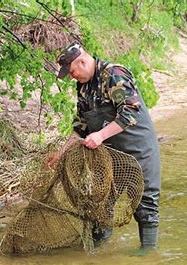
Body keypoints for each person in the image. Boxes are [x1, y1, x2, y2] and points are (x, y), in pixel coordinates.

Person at [45, 41, 161, 251]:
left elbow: (130, 112)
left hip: (139, 149)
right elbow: (80, 125)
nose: (72, 77)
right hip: (110, 155)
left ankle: (148, 255)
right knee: (99, 203)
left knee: (146, 207)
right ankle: (96, 249)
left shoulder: (114, 75)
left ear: (82, 61)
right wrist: (61, 153)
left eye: (72, 72)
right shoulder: (83, 87)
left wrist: (100, 135)